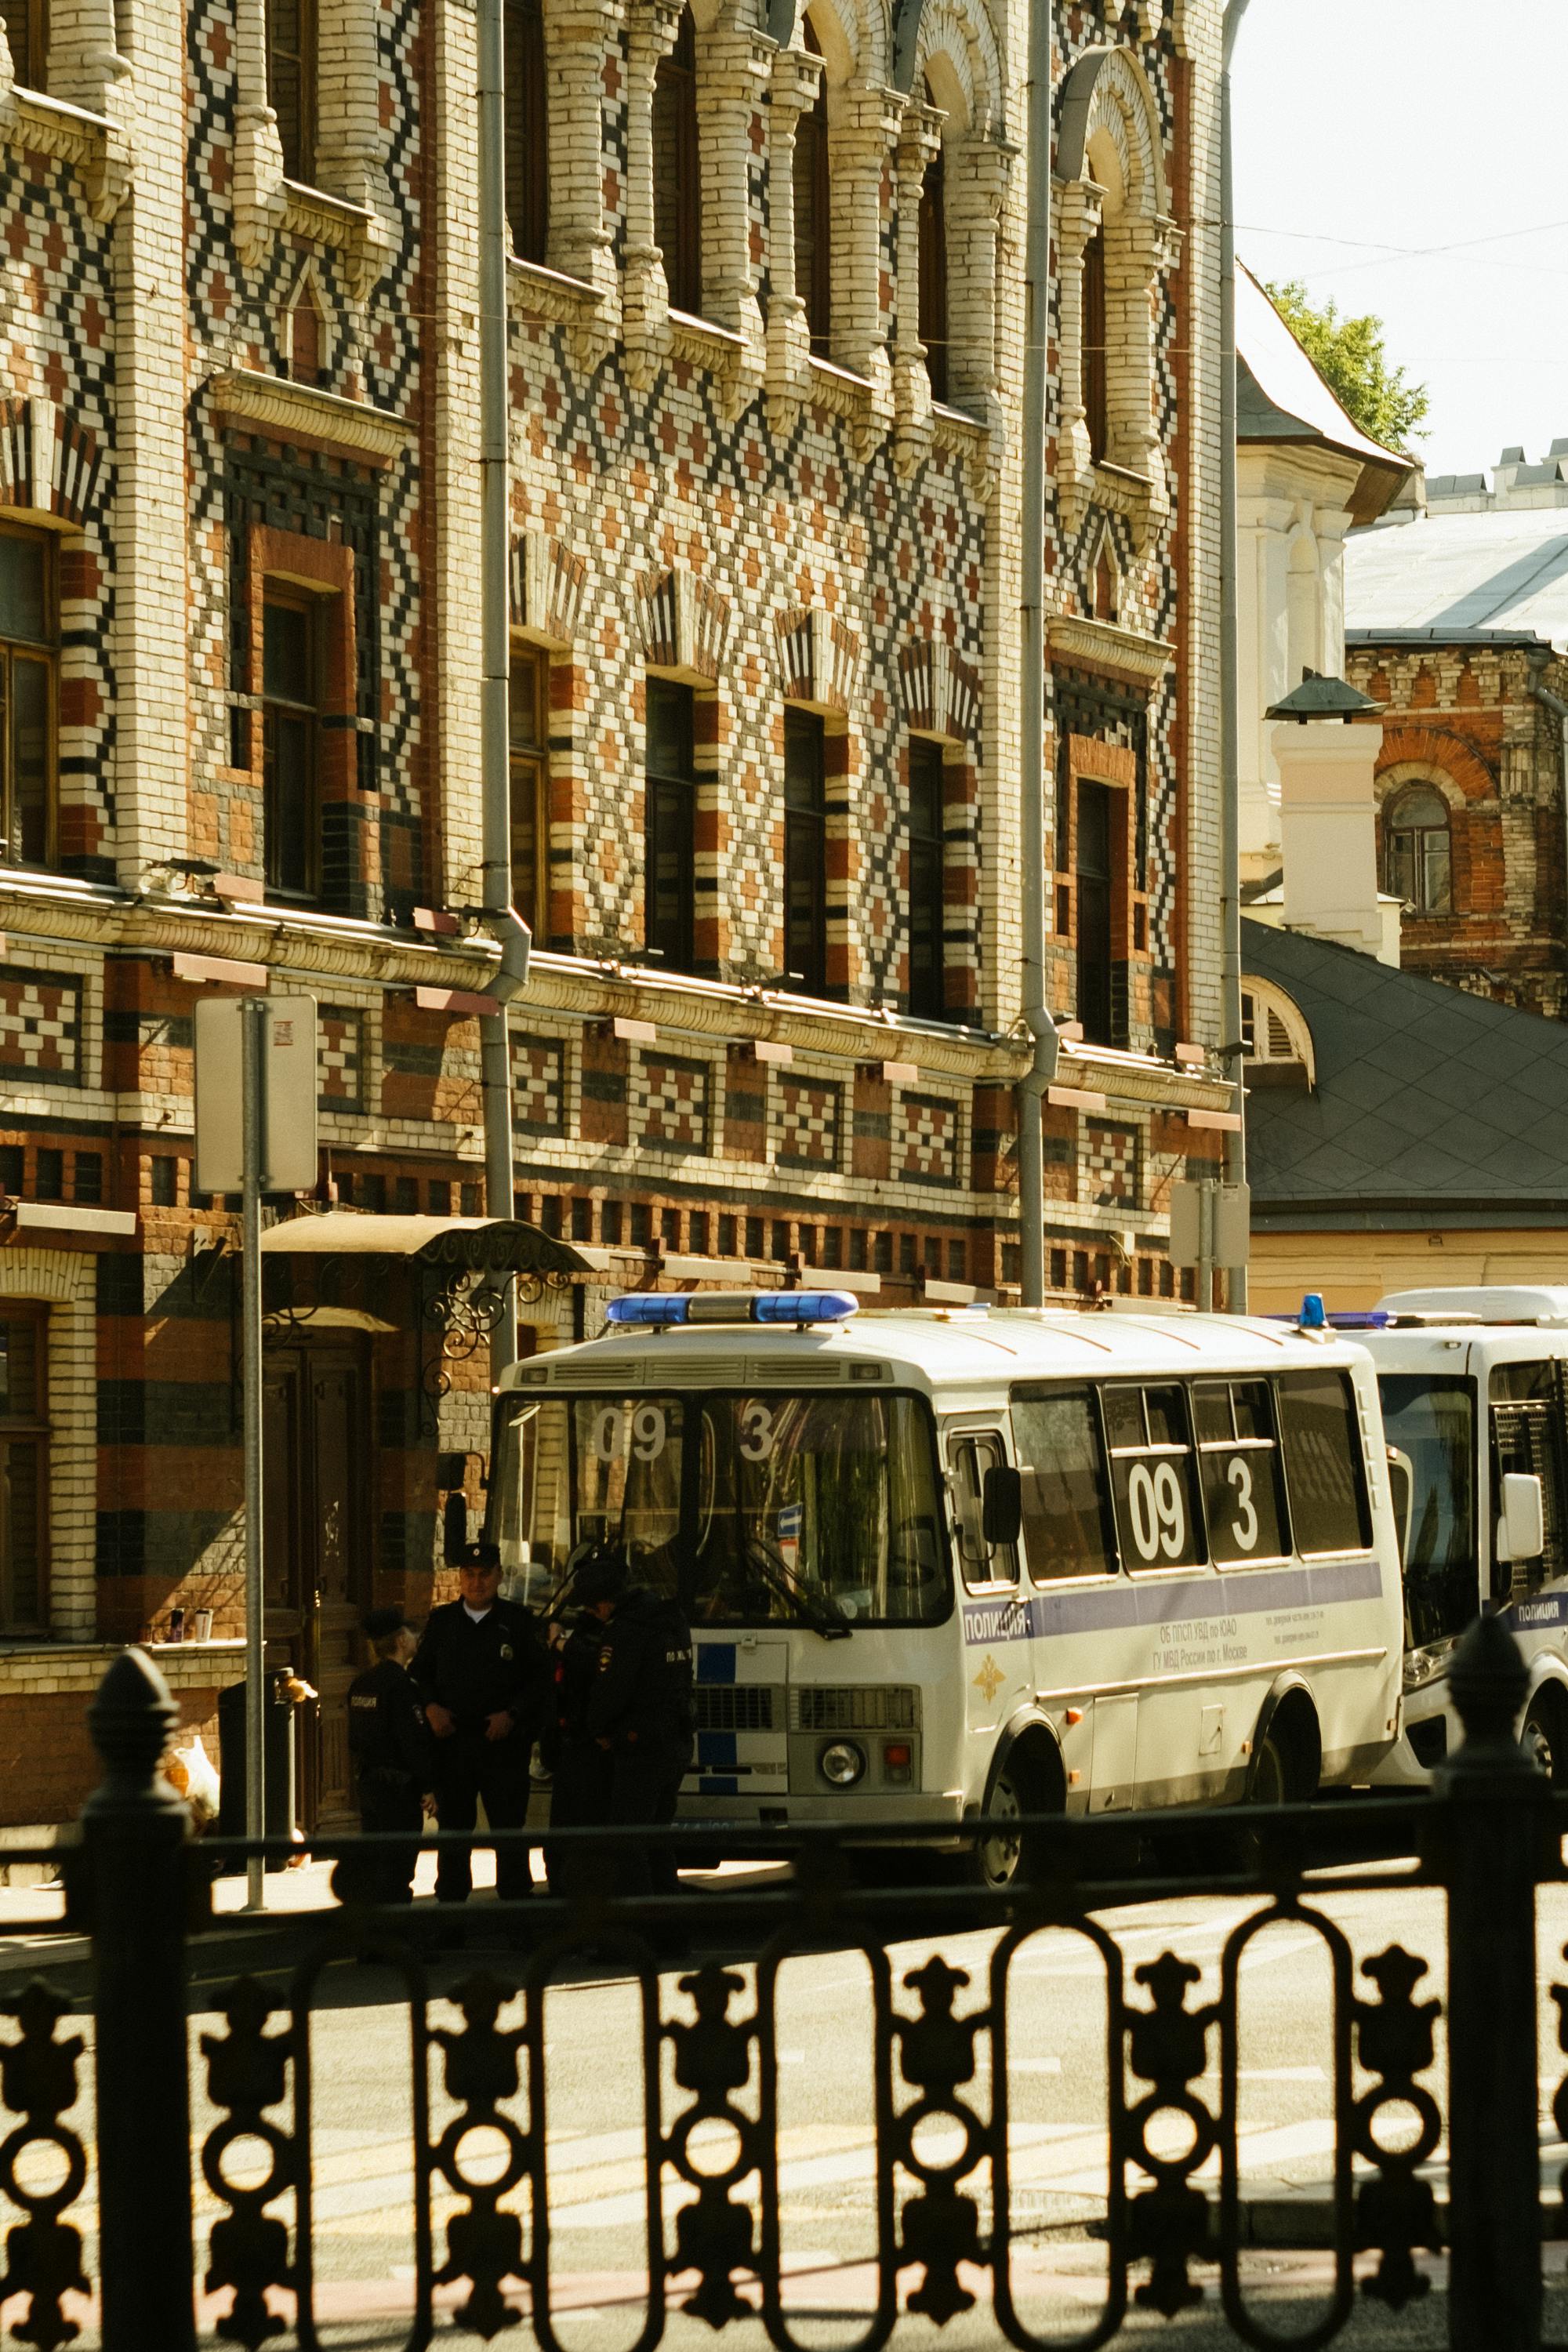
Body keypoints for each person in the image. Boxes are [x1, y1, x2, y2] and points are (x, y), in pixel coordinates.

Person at [410, 1543, 548, 1907]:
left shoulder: (518, 1622)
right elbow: (419, 1674)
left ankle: (516, 1910)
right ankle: (452, 1912)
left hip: (502, 1745)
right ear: (459, 1580)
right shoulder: (442, 1622)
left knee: (508, 1831)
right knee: (454, 1831)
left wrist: (513, 1714)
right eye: (469, 1575)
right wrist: (432, 1707)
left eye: (485, 1574)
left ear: (499, 1576)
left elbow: (540, 1680)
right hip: (453, 1745)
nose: (477, 1582)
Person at [585, 1559, 696, 1901]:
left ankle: (640, 1931)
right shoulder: (671, 1619)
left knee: (627, 1842)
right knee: (658, 1840)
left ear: (604, 1604)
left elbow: (611, 1693)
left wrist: (599, 1729)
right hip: (675, 1742)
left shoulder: (625, 1630)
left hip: (640, 1748)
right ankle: (671, 1931)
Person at [542, 1555, 618, 1896]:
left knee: (589, 1837)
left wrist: (560, 1644)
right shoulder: (584, 1626)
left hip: (596, 1747)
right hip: (571, 1744)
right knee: (564, 1835)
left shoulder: (616, 1633)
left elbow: (596, 1668)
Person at [346, 1606, 433, 1904]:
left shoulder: (362, 1684)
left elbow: (355, 1739)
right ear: (400, 1641)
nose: (415, 1637)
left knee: (374, 1866)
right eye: (410, 1633)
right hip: (398, 1791)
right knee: (398, 1870)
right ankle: (396, 1941)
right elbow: (413, 1742)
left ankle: (372, 1942)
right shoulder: (401, 1686)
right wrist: (428, 1786)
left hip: (369, 1786)